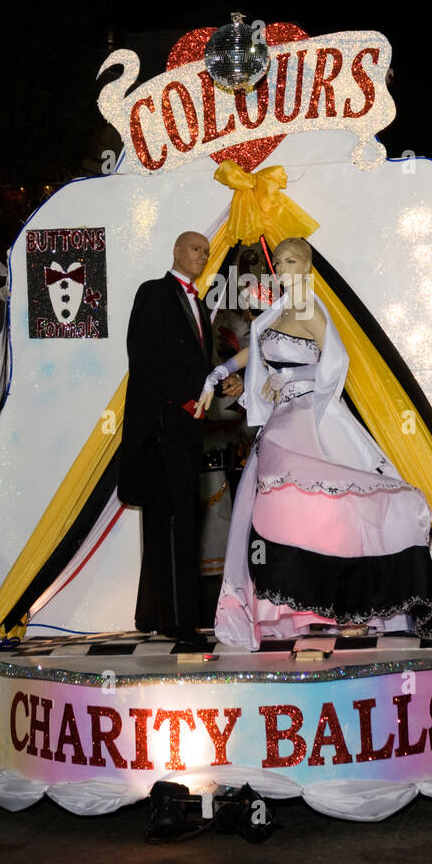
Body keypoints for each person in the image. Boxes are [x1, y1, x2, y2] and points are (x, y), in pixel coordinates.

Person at [198, 237, 432, 650]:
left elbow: (337, 360)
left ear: (307, 267)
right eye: (280, 261)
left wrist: (301, 384)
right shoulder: (276, 311)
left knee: (332, 503)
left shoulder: (310, 309)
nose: (286, 267)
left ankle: (349, 604)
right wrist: (218, 372)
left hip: (310, 414)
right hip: (281, 420)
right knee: (282, 507)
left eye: (294, 261)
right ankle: (296, 607)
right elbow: (256, 350)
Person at [118, 231, 242, 649]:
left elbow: (197, 366)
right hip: (162, 426)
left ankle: (160, 613)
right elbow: (143, 355)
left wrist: (223, 381)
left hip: (186, 428)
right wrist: (186, 399)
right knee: (174, 521)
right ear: (175, 251)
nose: (202, 255)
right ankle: (180, 620)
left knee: (173, 520)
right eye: (195, 248)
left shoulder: (199, 304)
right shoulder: (153, 292)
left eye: (206, 251)